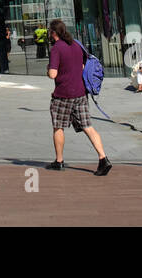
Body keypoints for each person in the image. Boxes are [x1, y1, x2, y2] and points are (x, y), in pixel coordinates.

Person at [44, 20, 111, 176]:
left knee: (58, 126)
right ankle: (103, 158)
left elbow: (53, 74)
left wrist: (48, 69)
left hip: (63, 94)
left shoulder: (56, 48)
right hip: (80, 93)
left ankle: (59, 161)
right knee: (88, 126)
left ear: (53, 33)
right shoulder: (76, 45)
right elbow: (82, 67)